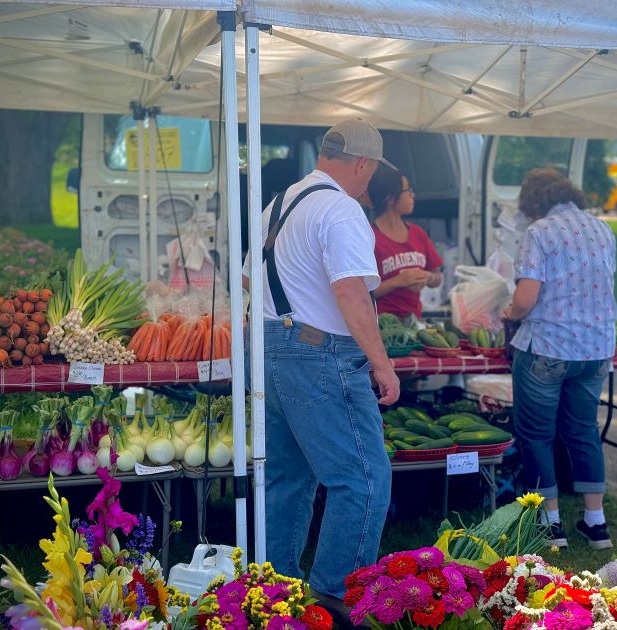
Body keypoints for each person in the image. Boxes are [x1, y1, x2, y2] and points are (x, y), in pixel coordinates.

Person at [241, 119, 400, 619]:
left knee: (288, 477)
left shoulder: (279, 203)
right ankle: (336, 599)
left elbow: (249, 280)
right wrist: (382, 365)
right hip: (321, 352)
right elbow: (351, 291)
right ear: (363, 164)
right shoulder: (341, 209)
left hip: (272, 347)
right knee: (364, 479)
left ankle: (275, 599)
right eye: (372, 171)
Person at [502, 168, 617, 550]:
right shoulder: (603, 230)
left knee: (537, 435)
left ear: (534, 202)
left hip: (549, 348)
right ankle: (595, 523)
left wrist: (509, 313)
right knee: (583, 430)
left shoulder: (540, 233)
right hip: (596, 350)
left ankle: (551, 525)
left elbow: (525, 299)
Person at [368, 167, 443, 319]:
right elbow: (362, 293)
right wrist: (397, 282)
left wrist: (427, 277)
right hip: (383, 325)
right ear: (390, 198)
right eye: (408, 190)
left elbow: (437, 277)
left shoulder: (418, 233)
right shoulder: (369, 237)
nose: (412, 195)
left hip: (413, 324)